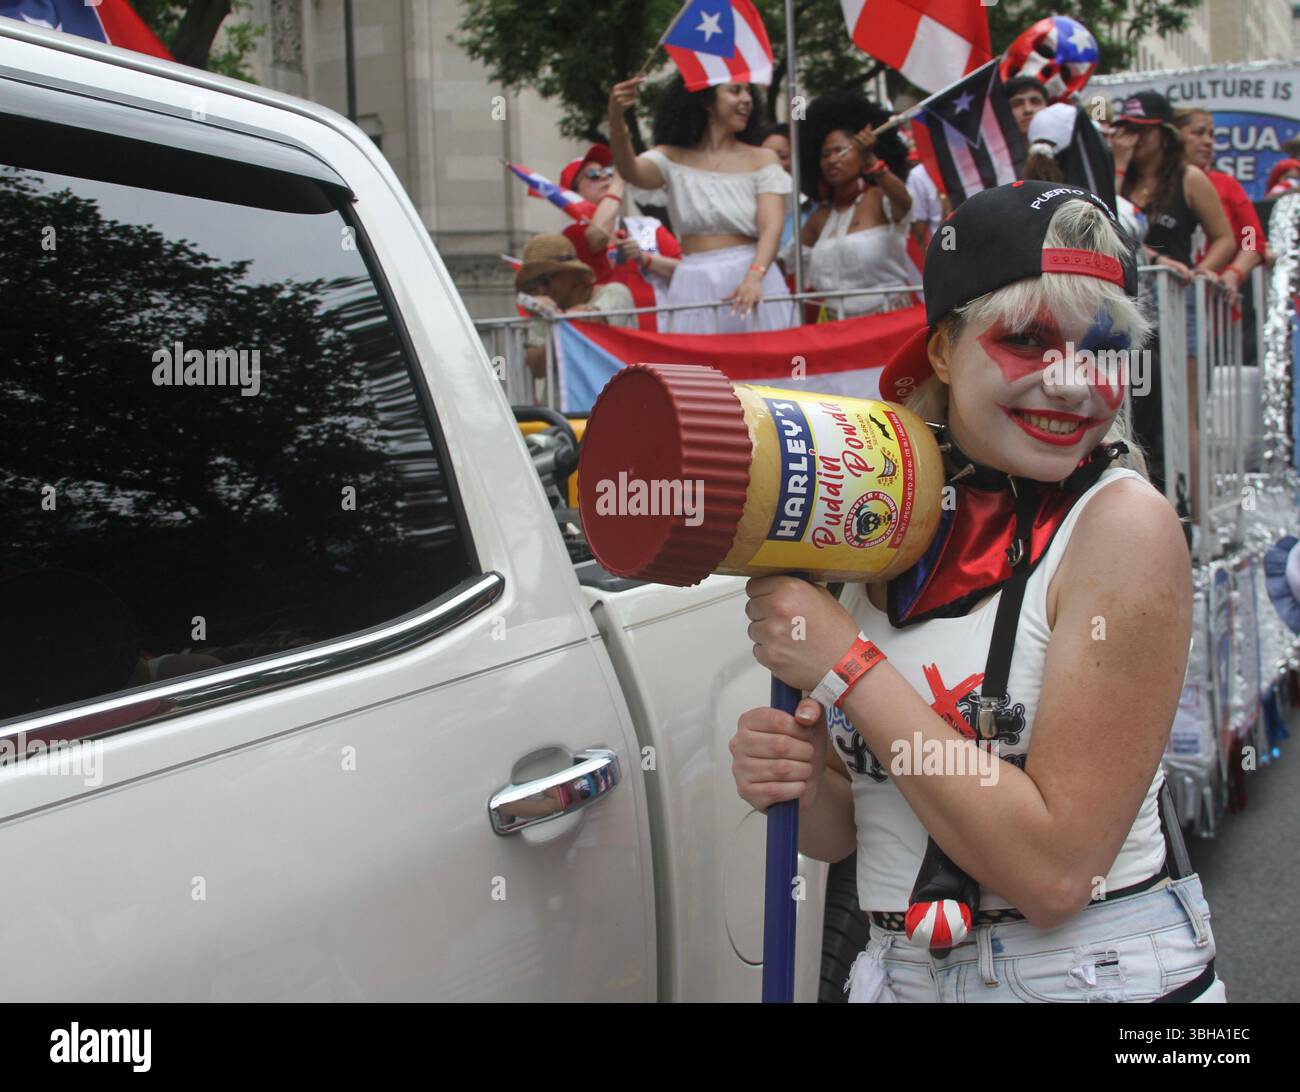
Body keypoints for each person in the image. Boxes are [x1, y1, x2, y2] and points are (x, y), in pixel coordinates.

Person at [729, 180, 1224, 1003]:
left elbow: (1056, 874)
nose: (1071, 385)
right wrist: (799, 777)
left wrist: (848, 666)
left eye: (1101, 346)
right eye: (1028, 339)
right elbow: (846, 833)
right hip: (895, 973)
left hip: (1089, 981)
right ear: (941, 349)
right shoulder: (872, 519)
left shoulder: (1126, 526)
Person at [1111, 90, 1236, 507]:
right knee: (1133, 411)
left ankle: (1199, 517)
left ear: (1163, 134)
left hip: (1176, 306)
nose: (1134, 139)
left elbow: (1227, 238)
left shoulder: (1188, 178)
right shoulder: (1120, 176)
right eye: (1127, 129)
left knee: (1183, 415)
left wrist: (1208, 270)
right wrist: (1119, 164)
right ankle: (1144, 505)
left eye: (1143, 132)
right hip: (1130, 310)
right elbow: (1107, 222)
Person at [606, 74, 795, 334]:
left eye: (748, 92)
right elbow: (631, 171)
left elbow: (772, 226)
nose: (747, 100)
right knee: (700, 372)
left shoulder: (764, 159)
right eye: (735, 91)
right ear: (707, 100)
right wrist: (616, 120)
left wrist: (755, 275)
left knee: (764, 370)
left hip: (751, 277)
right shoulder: (670, 156)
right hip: (692, 279)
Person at [783, 92, 915, 319]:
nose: (832, 160)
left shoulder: (880, 198)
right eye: (825, 155)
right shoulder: (820, 217)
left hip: (890, 325)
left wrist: (872, 161)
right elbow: (786, 263)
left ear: (863, 153)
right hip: (840, 332)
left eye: (841, 151)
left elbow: (905, 203)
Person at [558, 143, 682, 331]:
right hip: (608, 342)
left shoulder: (645, 227)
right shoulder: (570, 236)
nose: (605, 177)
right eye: (592, 175)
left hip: (658, 338)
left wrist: (646, 259)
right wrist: (618, 182)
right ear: (573, 194)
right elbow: (596, 236)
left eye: (608, 171)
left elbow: (686, 273)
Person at [1174, 107, 1266, 301]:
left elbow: (1251, 238)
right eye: (1198, 133)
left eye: (1211, 135)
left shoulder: (1226, 185)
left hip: (1214, 305)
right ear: (1174, 135)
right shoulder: (1150, 185)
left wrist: (1234, 272)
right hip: (1165, 300)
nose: (1208, 141)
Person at [514, 233, 634, 379]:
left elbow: (590, 321)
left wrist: (555, 318)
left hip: (613, 396)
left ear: (571, 273)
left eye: (544, 280)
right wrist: (550, 316)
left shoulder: (615, 292)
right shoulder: (546, 312)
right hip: (566, 400)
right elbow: (536, 368)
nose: (541, 290)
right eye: (534, 284)